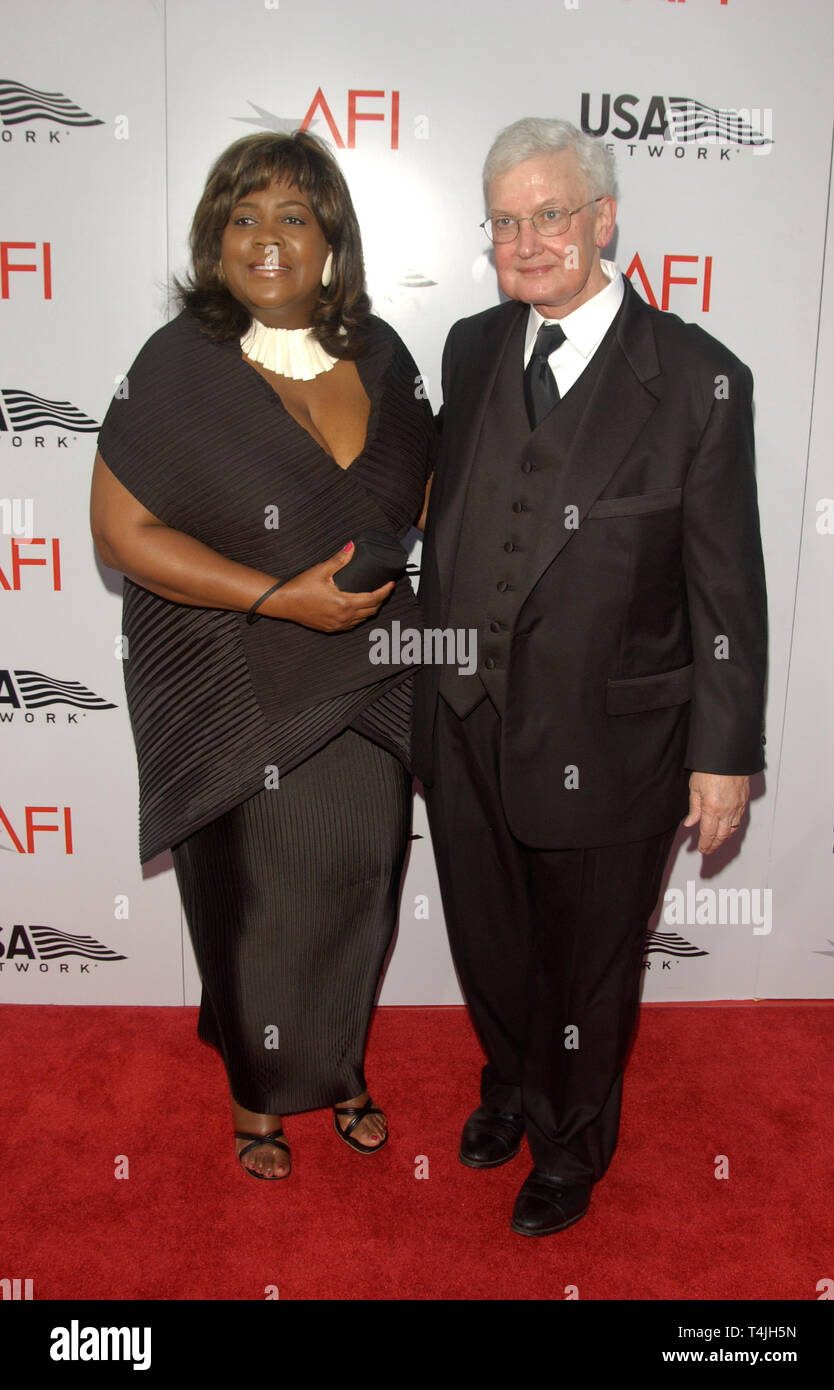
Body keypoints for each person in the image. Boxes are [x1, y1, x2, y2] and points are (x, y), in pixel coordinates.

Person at [414, 117, 767, 1235]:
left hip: (610, 739)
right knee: (489, 935)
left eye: (550, 214)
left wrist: (724, 754)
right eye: (506, 221)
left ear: (603, 219)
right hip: (464, 717)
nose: (527, 241)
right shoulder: (471, 347)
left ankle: (570, 1141)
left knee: (586, 962)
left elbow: (726, 584)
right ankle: (513, 1084)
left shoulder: (700, 379)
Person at [91, 131, 434, 1180]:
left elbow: (420, 490)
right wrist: (278, 595)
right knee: (253, 907)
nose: (266, 237)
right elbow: (124, 535)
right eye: (243, 217)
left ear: (332, 238)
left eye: (292, 215)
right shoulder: (176, 365)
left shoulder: (382, 352)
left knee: (358, 884)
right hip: (234, 683)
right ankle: (256, 1097)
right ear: (215, 241)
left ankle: (340, 1067)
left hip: (370, 680)